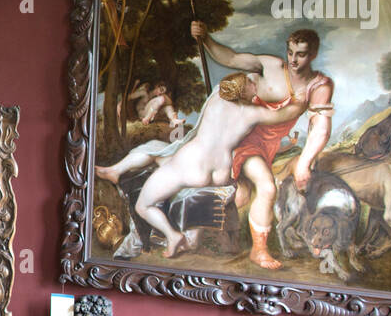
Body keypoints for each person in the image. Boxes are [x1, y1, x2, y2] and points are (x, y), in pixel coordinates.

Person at [97, 72, 306, 258]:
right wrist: (303, 99)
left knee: (143, 205)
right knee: (158, 152)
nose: (256, 89)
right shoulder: (253, 113)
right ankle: (187, 235)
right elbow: (286, 113)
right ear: (244, 89)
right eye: (252, 84)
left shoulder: (216, 95)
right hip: (221, 171)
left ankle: (173, 236)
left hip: (195, 164)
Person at [193, 23, 335, 270]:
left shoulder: (318, 86)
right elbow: (231, 58)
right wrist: (206, 38)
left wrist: (303, 163)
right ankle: (258, 251)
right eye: (290, 52)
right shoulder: (271, 66)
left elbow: (320, 127)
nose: (293, 59)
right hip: (242, 136)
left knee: (241, 195)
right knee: (267, 187)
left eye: (300, 54)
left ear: (312, 55)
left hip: (266, 145)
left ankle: (192, 228)